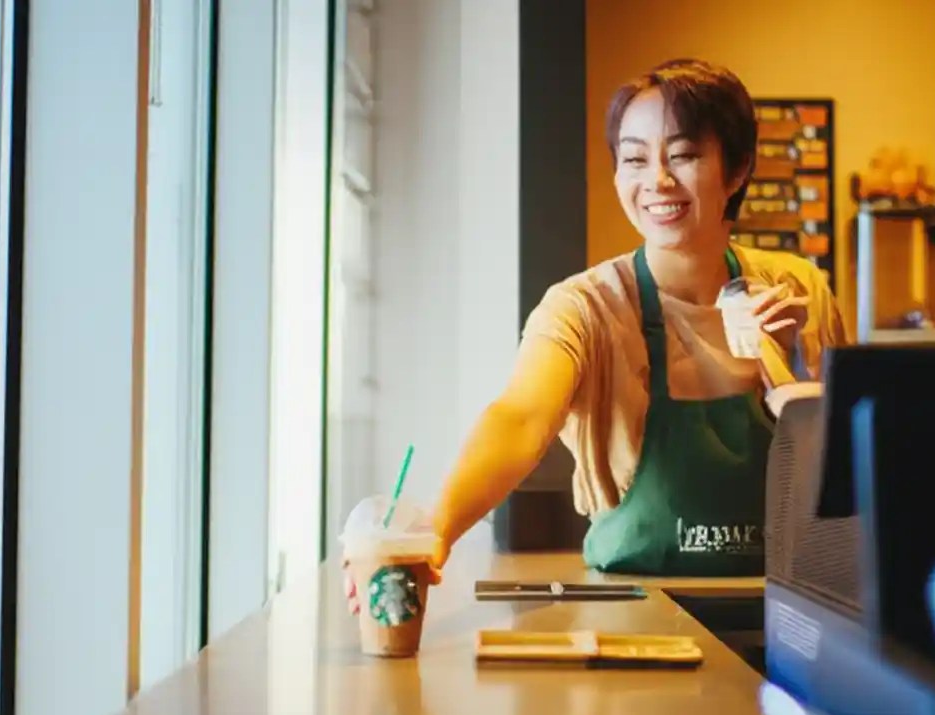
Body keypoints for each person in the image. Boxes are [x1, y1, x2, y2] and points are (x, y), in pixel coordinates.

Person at [347, 58, 846, 610]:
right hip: (636, 611)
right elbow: (520, 418)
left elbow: (850, 466)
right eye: (634, 159)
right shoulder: (584, 307)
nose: (657, 181)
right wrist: (436, 533)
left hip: (788, 611)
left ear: (737, 168)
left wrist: (796, 381)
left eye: (682, 155)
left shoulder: (798, 289)